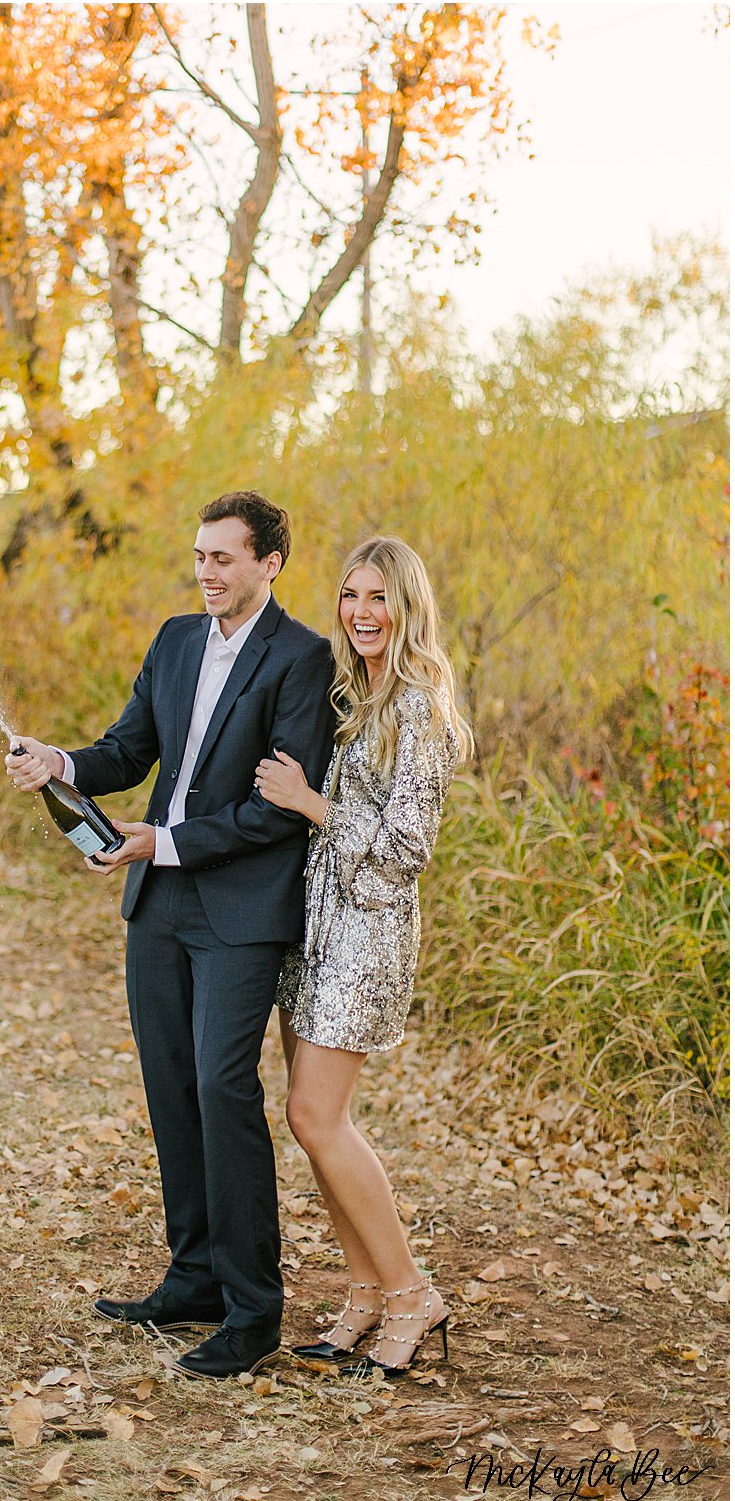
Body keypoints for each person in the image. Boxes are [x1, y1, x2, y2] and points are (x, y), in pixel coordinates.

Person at [7, 491, 337, 1379]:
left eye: (223, 557)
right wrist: (61, 763)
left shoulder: (303, 659)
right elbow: (127, 750)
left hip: (239, 911)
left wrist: (170, 840)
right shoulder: (175, 639)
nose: (206, 572)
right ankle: (191, 1274)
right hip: (156, 903)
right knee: (170, 1087)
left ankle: (252, 1308)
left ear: (270, 562)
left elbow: (281, 808)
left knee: (224, 1086)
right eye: (199, 556)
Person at [251, 535, 471, 1376]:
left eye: (379, 597)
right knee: (314, 1125)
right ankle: (366, 1291)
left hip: (369, 933)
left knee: (317, 1114)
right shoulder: (356, 692)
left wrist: (311, 803)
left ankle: (412, 1290)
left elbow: (406, 849)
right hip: (314, 926)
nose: (361, 613)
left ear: (406, 606)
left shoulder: (417, 702)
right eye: (350, 596)